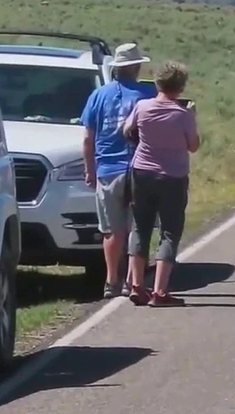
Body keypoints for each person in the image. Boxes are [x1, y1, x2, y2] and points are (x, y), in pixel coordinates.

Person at [81, 43, 156, 299]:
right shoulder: (148, 94)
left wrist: (89, 169)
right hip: (140, 166)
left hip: (108, 167)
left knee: (112, 230)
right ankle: (132, 281)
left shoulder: (98, 96)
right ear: (135, 67)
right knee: (138, 227)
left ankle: (111, 281)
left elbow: (88, 138)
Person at [122, 61, 200, 307]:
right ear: (180, 86)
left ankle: (136, 285)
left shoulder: (142, 106)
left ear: (158, 83)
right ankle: (159, 291)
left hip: (142, 171)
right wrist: (192, 118)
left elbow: (127, 130)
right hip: (173, 176)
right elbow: (194, 145)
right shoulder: (182, 114)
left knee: (140, 227)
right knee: (169, 232)